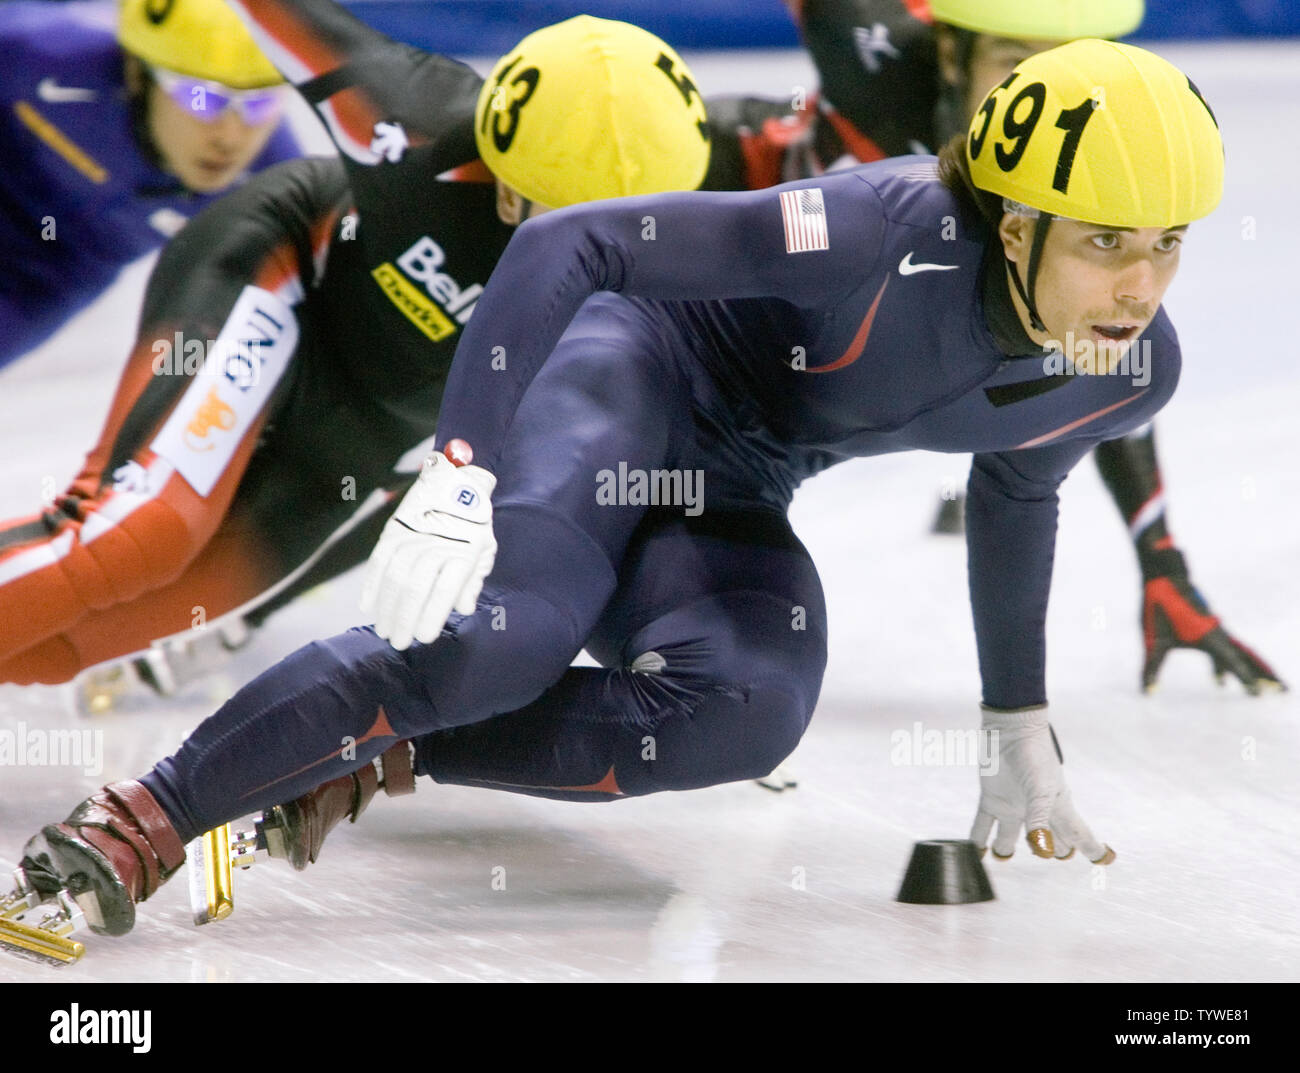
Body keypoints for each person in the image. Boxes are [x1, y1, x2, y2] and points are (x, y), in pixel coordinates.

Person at [16, 39, 1226, 937]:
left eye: (1164, 240)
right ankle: (144, 815)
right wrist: (460, 466)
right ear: (1012, 226)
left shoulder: (1129, 371)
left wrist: (1014, 718)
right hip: (624, 374)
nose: (1138, 286)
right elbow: (573, 242)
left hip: (737, 486)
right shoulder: (869, 228)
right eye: (1102, 242)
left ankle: (374, 753)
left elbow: (1019, 498)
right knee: (501, 640)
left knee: (747, 709)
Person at [0, 2, 710, 696]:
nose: (578, 261)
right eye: (553, 218)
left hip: (371, 433)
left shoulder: (697, 250)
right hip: (287, 276)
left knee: (80, 640)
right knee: (138, 537)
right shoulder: (413, 116)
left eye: (611, 243)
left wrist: (251, 615)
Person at [710, 0, 1281, 695]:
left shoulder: (1080, 143)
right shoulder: (872, 54)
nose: (1049, 95)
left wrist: (1163, 564)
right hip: (738, 212)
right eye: (1014, 62)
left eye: (1073, 65)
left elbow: (1101, 349)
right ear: (948, 54)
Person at [0, 0, 301, 368]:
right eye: (202, 98)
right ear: (137, 72)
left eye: (261, 104)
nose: (230, 134)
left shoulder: (277, 185)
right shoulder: (42, 54)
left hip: (45, 279)